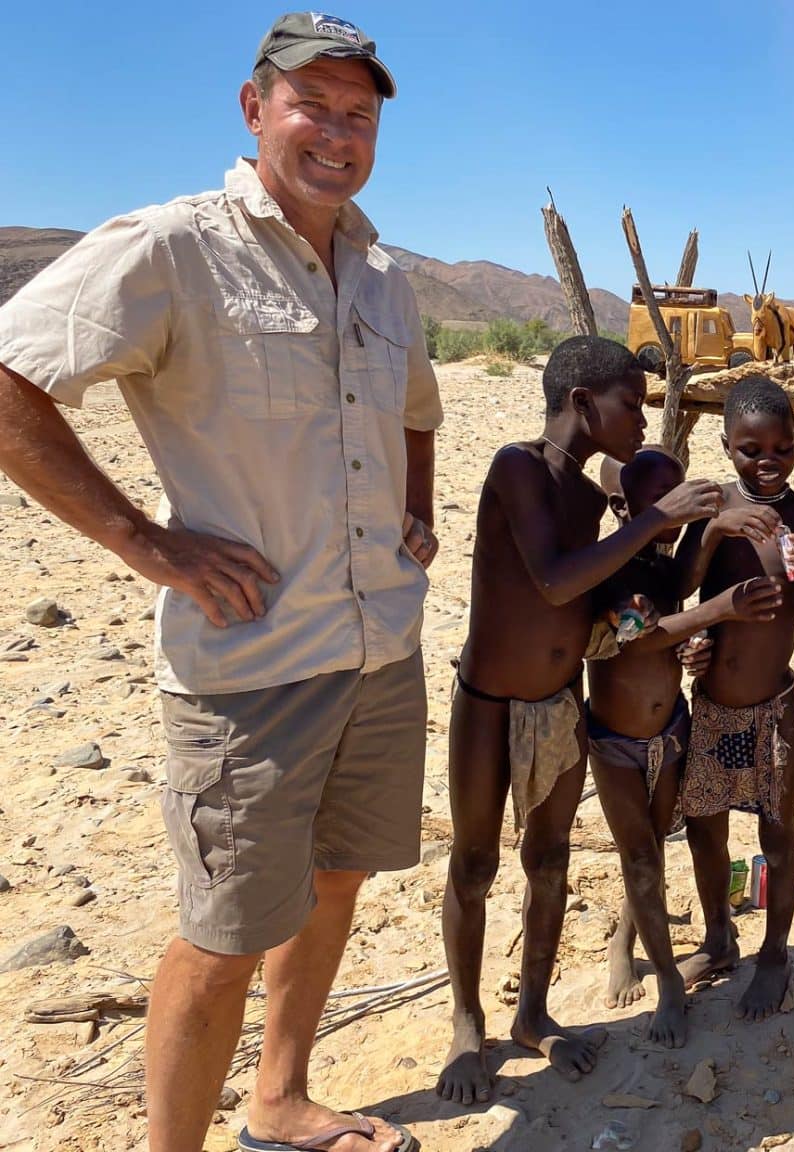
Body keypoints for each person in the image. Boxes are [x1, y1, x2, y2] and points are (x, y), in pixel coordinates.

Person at [0, 14, 436, 1152]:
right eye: (312, 105)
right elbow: (9, 380)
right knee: (224, 935)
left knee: (337, 882)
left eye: (359, 113)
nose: (337, 133)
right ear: (254, 109)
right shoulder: (176, 247)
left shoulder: (385, 277)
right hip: (250, 668)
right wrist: (147, 543)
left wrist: (420, 513)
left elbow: (415, 410)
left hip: (378, 650)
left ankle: (280, 1100)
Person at [434, 338, 723, 1104]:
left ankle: (532, 1014)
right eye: (633, 404)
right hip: (490, 704)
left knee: (551, 861)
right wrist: (655, 517)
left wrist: (658, 609)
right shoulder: (518, 468)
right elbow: (556, 582)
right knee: (474, 865)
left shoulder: (594, 502)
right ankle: (467, 1024)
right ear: (583, 403)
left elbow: (599, 601)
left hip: (560, 704)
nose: (643, 421)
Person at [585, 447, 784, 1048]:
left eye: (681, 499)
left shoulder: (663, 564)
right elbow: (636, 639)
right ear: (623, 507)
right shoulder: (611, 566)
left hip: (670, 730)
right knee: (640, 856)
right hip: (615, 743)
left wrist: (716, 527)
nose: (675, 510)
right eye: (662, 501)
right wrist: (717, 611)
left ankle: (629, 936)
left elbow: (681, 589)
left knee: (652, 845)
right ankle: (667, 980)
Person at [670, 376, 794, 1021]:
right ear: (725, 446)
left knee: (776, 831)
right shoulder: (712, 510)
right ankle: (719, 938)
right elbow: (682, 587)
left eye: (782, 448)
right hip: (713, 705)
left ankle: (775, 954)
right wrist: (715, 530)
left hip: (774, 709)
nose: (768, 461)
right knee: (705, 830)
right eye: (751, 450)